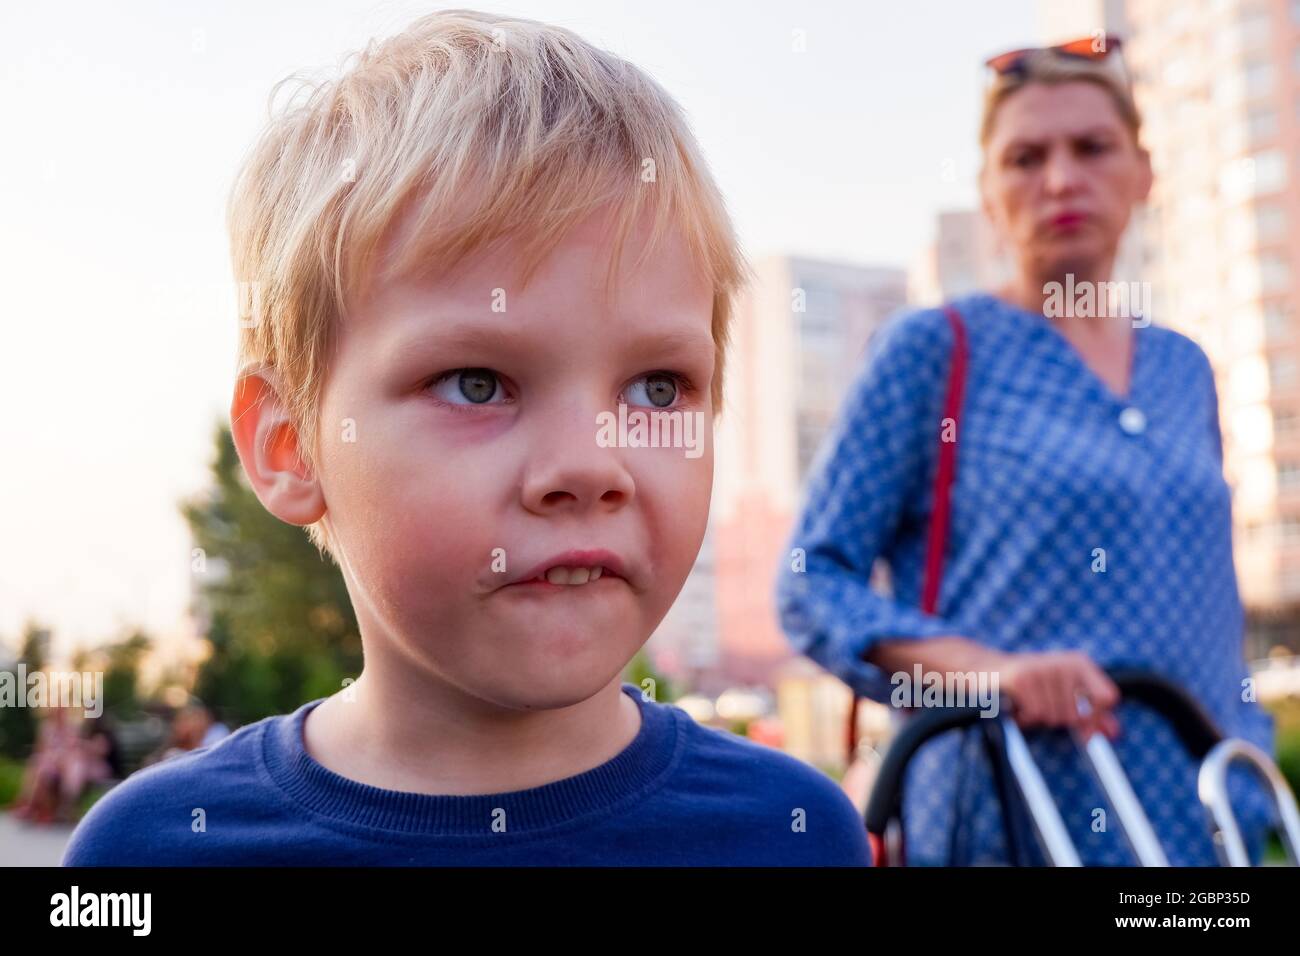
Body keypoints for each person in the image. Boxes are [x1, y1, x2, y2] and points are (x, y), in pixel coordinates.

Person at [63, 9, 870, 866]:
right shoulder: (150, 854)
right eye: (477, 384)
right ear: (290, 443)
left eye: (656, 388)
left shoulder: (791, 832)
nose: (590, 464)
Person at [775, 36, 1275, 865]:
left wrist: (1247, 768)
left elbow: (1212, 604)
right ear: (988, 192)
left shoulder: (1184, 366)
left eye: (1091, 148)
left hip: (1197, 826)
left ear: (1143, 172)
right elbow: (811, 581)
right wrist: (986, 670)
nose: (1060, 180)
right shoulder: (934, 350)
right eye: (1025, 157)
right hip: (1012, 816)